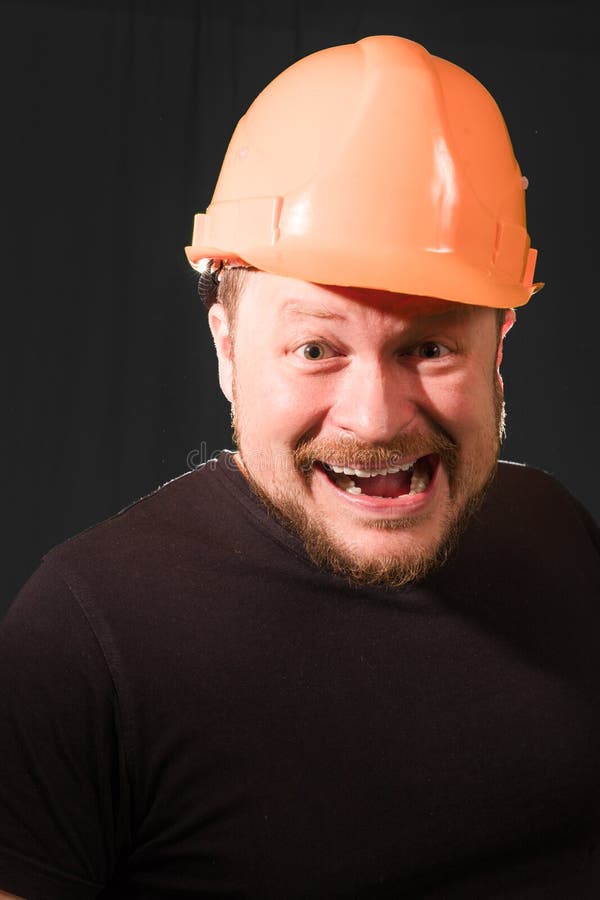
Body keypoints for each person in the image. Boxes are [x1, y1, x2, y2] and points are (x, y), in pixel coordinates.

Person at [1, 34, 599, 900]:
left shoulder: (560, 534)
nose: (376, 418)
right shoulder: (84, 642)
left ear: (498, 348)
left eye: (431, 347)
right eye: (316, 349)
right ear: (227, 348)